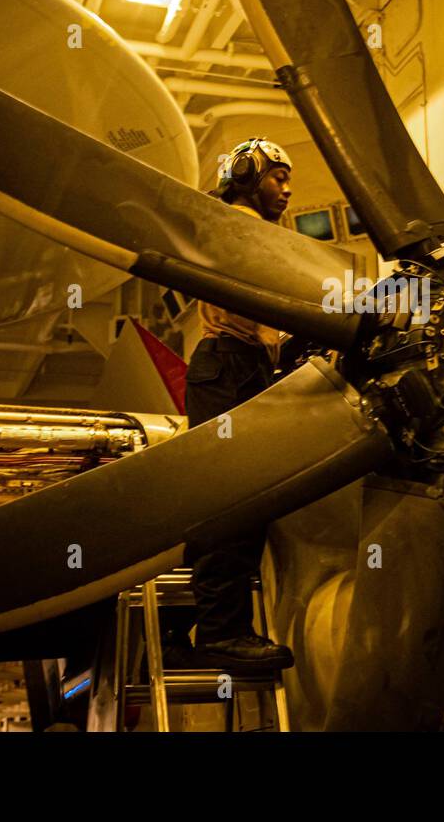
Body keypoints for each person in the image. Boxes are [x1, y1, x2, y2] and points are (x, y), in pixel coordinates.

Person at [162, 138, 296, 673]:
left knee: (234, 502)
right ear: (246, 175)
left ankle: (182, 626)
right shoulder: (238, 225)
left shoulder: (253, 230)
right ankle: (223, 632)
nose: (286, 188)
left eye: (288, 178)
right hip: (230, 365)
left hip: (243, 366)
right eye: (276, 177)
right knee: (236, 504)